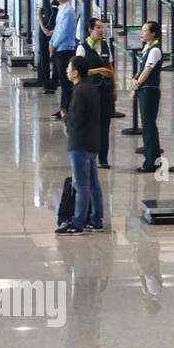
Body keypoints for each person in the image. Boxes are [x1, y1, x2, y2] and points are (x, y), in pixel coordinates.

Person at [58, 56, 104, 236]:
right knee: (93, 184)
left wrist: (65, 116)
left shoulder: (78, 91)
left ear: (76, 72)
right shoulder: (92, 89)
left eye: (69, 68)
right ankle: (96, 220)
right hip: (92, 141)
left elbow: (76, 120)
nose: (66, 71)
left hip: (79, 143)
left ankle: (77, 222)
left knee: (81, 184)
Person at [75, 17, 115, 169]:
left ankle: (103, 158)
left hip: (105, 90)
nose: (101, 30)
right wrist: (99, 70)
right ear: (90, 30)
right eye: (98, 27)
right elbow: (78, 71)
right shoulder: (82, 48)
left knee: (105, 124)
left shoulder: (105, 45)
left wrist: (114, 88)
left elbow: (111, 67)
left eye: (102, 27)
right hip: (90, 91)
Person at [130, 21, 164, 174]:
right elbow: (142, 69)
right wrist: (135, 80)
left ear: (154, 33)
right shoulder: (148, 49)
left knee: (149, 126)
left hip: (149, 90)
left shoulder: (155, 50)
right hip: (144, 89)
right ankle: (152, 159)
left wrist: (137, 84)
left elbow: (148, 70)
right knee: (148, 126)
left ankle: (152, 162)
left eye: (145, 31)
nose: (142, 34)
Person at [48, 0, 78, 119]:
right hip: (59, 47)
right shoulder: (62, 9)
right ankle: (63, 108)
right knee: (62, 80)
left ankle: (67, 109)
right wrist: (51, 42)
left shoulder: (68, 12)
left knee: (66, 82)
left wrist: (54, 43)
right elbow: (57, 28)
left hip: (65, 48)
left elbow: (64, 32)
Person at [36, 0, 61, 94]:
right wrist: (43, 28)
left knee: (56, 55)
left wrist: (55, 30)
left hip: (57, 30)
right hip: (44, 30)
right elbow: (39, 13)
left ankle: (54, 82)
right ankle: (46, 84)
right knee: (44, 56)